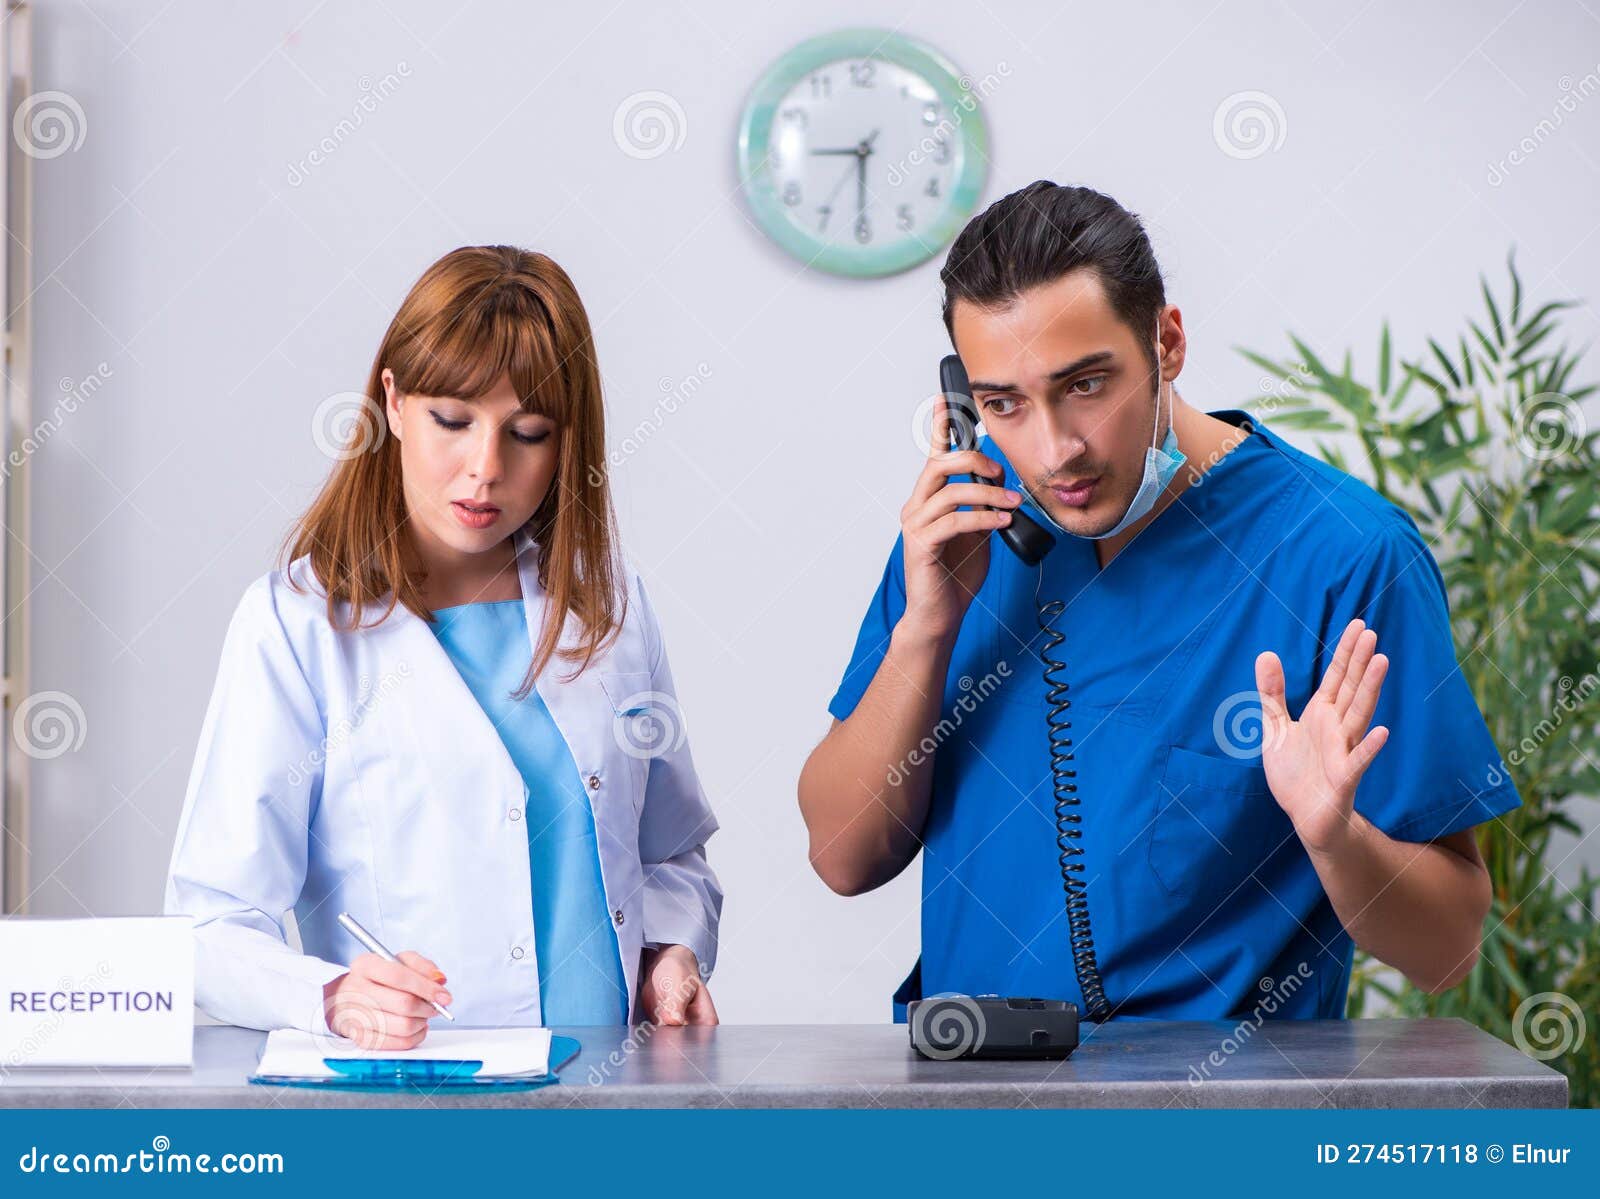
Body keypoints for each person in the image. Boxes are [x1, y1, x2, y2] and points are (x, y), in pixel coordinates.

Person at [798, 181, 1519, 1023]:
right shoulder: (963, 535)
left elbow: (1449, 950)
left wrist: (1337, 839)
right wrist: (927, 627)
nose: (1054, 448)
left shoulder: (1346, 556)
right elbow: (843, 857)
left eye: (1087, 385)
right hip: (968, 1099)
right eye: (1004, 405)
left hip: (1216, 1126)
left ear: (1166, 342)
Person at [166, 245, 722, 1047]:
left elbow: (672, 854)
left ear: (569, 442)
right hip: (411, 1100)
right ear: (392, 401)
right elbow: (209, 925)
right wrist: (331, 996)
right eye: (452, 421)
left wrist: (670, 951)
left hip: (610, 1106)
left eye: (528, 432)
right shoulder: (295, 624)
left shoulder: (610, 602)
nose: (486, 469)